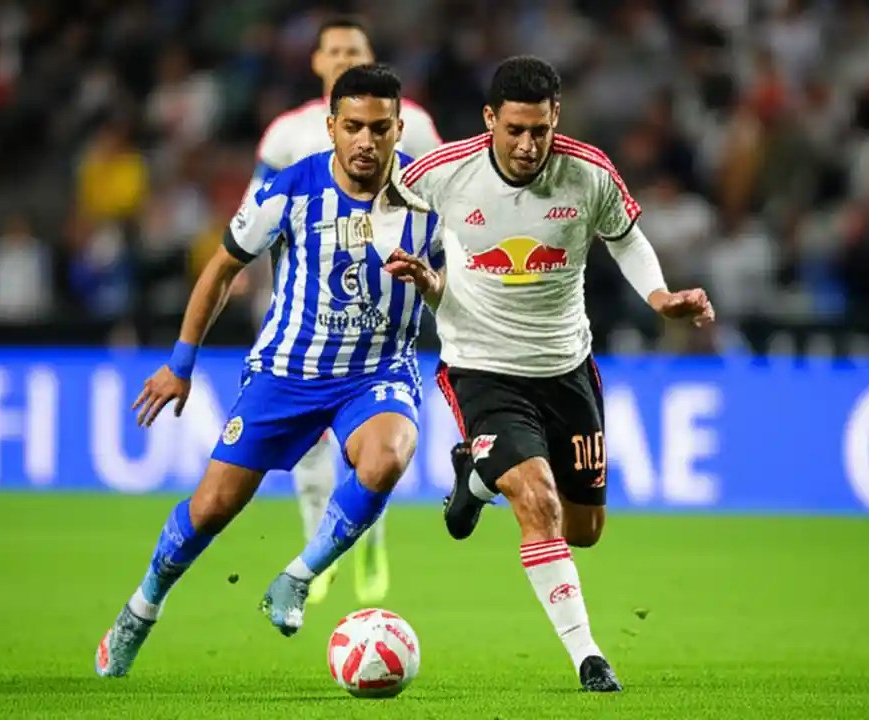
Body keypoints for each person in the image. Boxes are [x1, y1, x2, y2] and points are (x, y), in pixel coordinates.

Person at [96, 64, 445, 678]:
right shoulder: (289, 189)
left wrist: (438, 289)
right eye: (355, 127)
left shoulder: (430, 201)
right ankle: (142, 605)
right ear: (331, 127)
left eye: (381, 128)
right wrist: (182, 363)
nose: (367, 141)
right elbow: (221, 269)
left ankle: (297, 576)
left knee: (389, 455)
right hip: (286, 373)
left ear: (399, 131)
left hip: (375, 373)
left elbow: (466, 288)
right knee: (210, 509)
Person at [388, 56, 715, 692]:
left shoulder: (588, 173)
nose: (527, 144)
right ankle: (589, 657)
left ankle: (476, 478)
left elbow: (625, 238)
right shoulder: (443, 172)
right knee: (537, 502)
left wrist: (660, 297)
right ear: (490, 120)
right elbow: (375, 201)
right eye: (514, 129)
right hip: (482, 367)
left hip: (567, 368)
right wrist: (420, 277)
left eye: (539, 130)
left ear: (555, 118)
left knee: (583, 528)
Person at [243, 15, 443, 605]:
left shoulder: (418, 128)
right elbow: (253, 212)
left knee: (369, 442)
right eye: (332, 50)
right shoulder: (287, 134)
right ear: (316, 61)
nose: (340, 57)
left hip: (381, 313)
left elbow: (443, 198)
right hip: (302, 309)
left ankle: (369, 536)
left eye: (352, 49)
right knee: (308, 441)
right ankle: (317, 546)